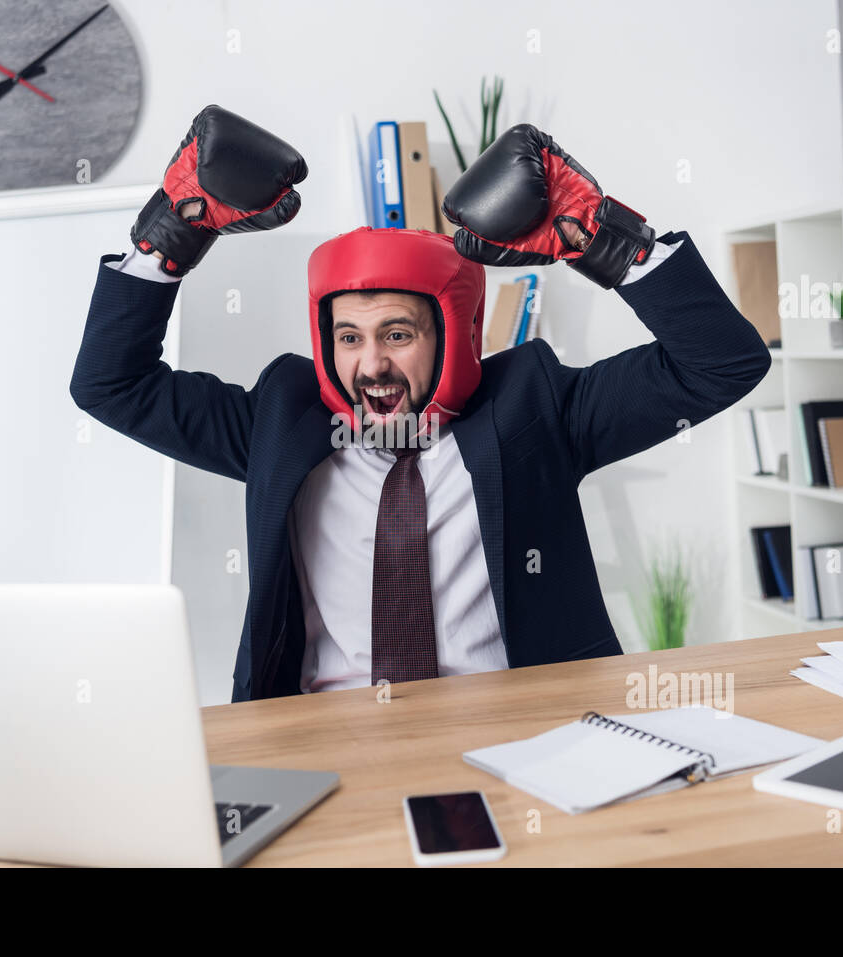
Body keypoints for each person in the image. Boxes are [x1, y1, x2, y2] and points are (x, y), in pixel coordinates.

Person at [70, 104, 771, 702]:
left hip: (522, 733)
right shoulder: (279, 418)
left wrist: (604, 239)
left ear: (456, 333)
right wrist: (171, 235)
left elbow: (720, 364)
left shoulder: (535, 407)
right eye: (348, 336)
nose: (370, 362)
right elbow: (110, 383)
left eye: (396, 333)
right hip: (322, 737)